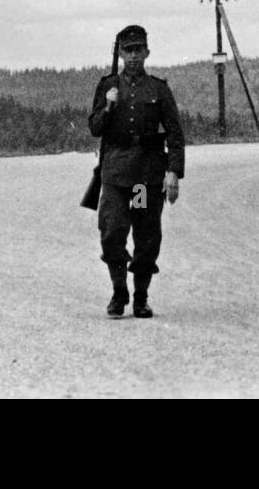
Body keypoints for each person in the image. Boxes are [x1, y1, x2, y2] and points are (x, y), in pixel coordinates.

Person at [87, 25, 185, 318]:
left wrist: (173, 173)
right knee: (112, 232)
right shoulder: (107, 86)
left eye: (137, 50)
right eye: (127, 51)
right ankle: (119, 292)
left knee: (146, 234)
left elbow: (175, 134)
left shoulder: (158, 89)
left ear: (146, 53)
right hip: (116, 175)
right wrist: (108, 106)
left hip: (144, 178)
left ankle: (141, 296)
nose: (132, 56)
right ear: (120, 53)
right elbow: (94, 128)